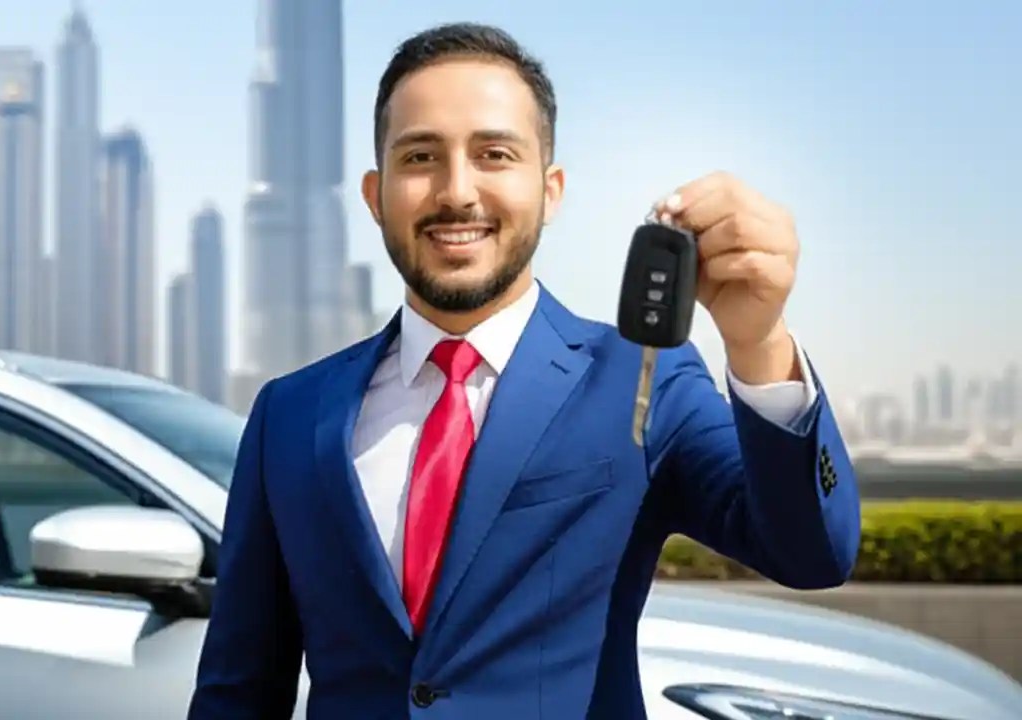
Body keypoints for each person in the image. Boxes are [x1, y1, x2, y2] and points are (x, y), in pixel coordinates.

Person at [188, 21, 860, 720]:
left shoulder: (640, 380)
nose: (457, 191)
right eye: (420, 156)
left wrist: (758, 344)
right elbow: (239, 690)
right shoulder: (291, 416)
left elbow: (813, 553)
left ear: (551, 189)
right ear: (375, 192)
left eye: (494, 154)